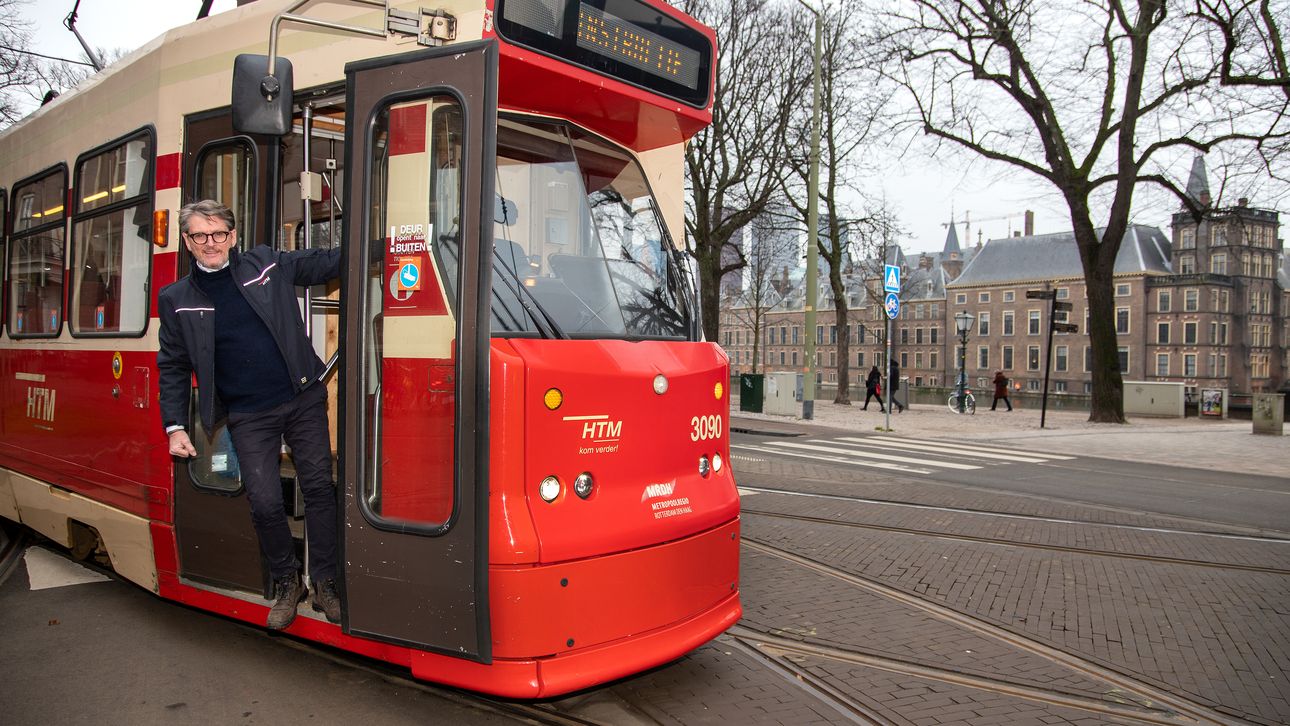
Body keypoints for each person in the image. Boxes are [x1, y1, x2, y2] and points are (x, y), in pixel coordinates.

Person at [158, 200, 342, 630]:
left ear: (233, 236)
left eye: (218, 233)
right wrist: (174, 425)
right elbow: (172, 365)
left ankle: (326, 582)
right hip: (247, 414)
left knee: (318, 487)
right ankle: (286, 582)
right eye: (200, 236)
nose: (210, 243)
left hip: (301, 398)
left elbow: (322, 261)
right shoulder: (177, 298)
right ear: (188, 242)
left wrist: (391, 245)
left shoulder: (265, 264)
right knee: (263, 502)